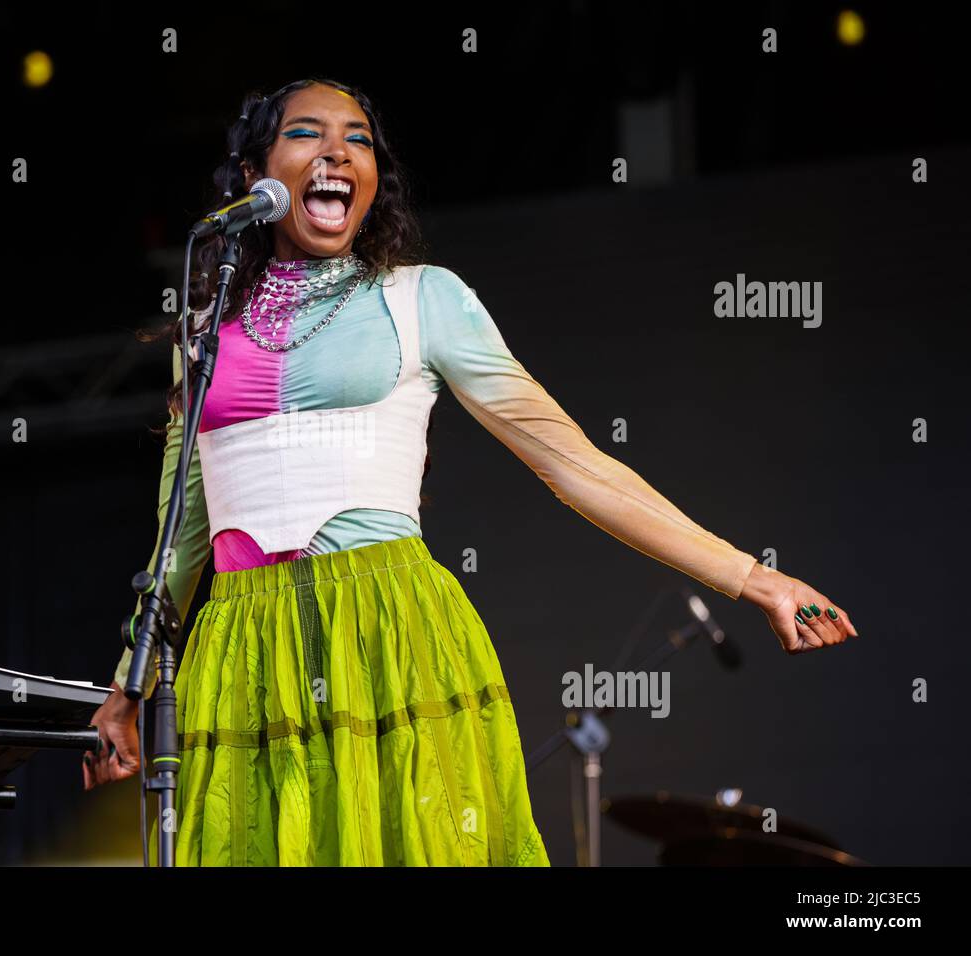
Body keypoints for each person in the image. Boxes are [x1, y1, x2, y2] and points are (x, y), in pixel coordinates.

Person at [82, 78, 859, 866]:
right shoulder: (204, 332)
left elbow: (576, 466)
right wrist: (127, 685)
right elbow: (179, 541)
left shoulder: (424, 300)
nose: (336, 154)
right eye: (307, 134)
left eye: (357, 140)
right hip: (241, 654)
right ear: (255, 177)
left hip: (385, 635)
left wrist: (752, 579)